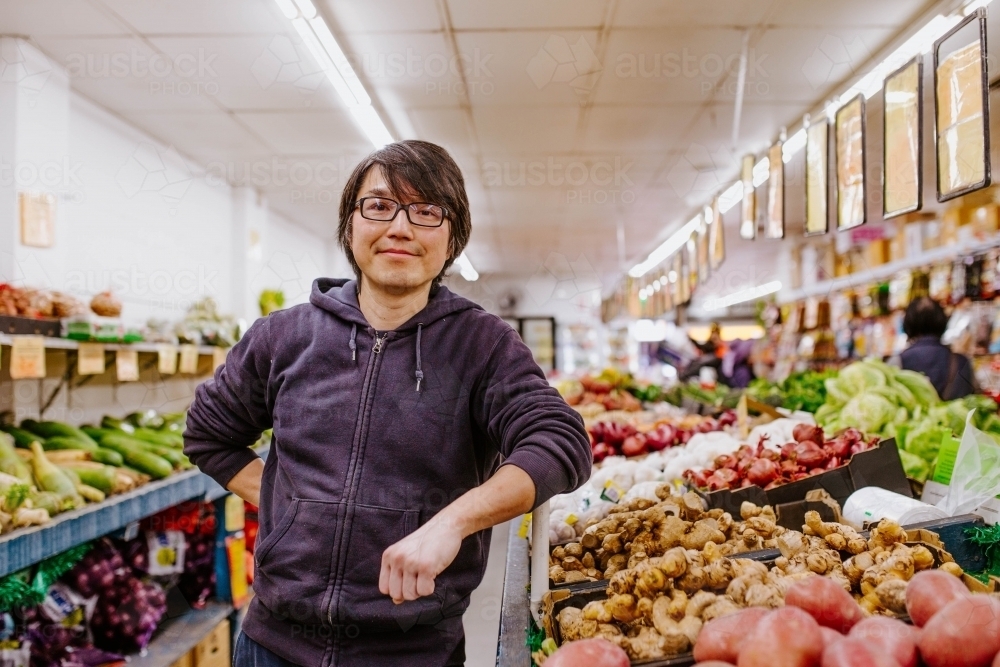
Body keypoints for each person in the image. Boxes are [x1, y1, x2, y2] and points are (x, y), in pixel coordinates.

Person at [183, 140, 592, 666]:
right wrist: (292, 509)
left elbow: (560, 441)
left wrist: (453, 522)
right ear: (350, 227)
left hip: (413, 650)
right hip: (271, 645)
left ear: (452, 238)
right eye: (378, 206)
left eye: (425, 212)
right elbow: (209, 436)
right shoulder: (282, 337)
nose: (399, 227)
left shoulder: (484, 346)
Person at [900, 296, 977, 400]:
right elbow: (975, 400)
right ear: (943, 322)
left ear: (907, 324)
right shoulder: (962, 362)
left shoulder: (897, 362)